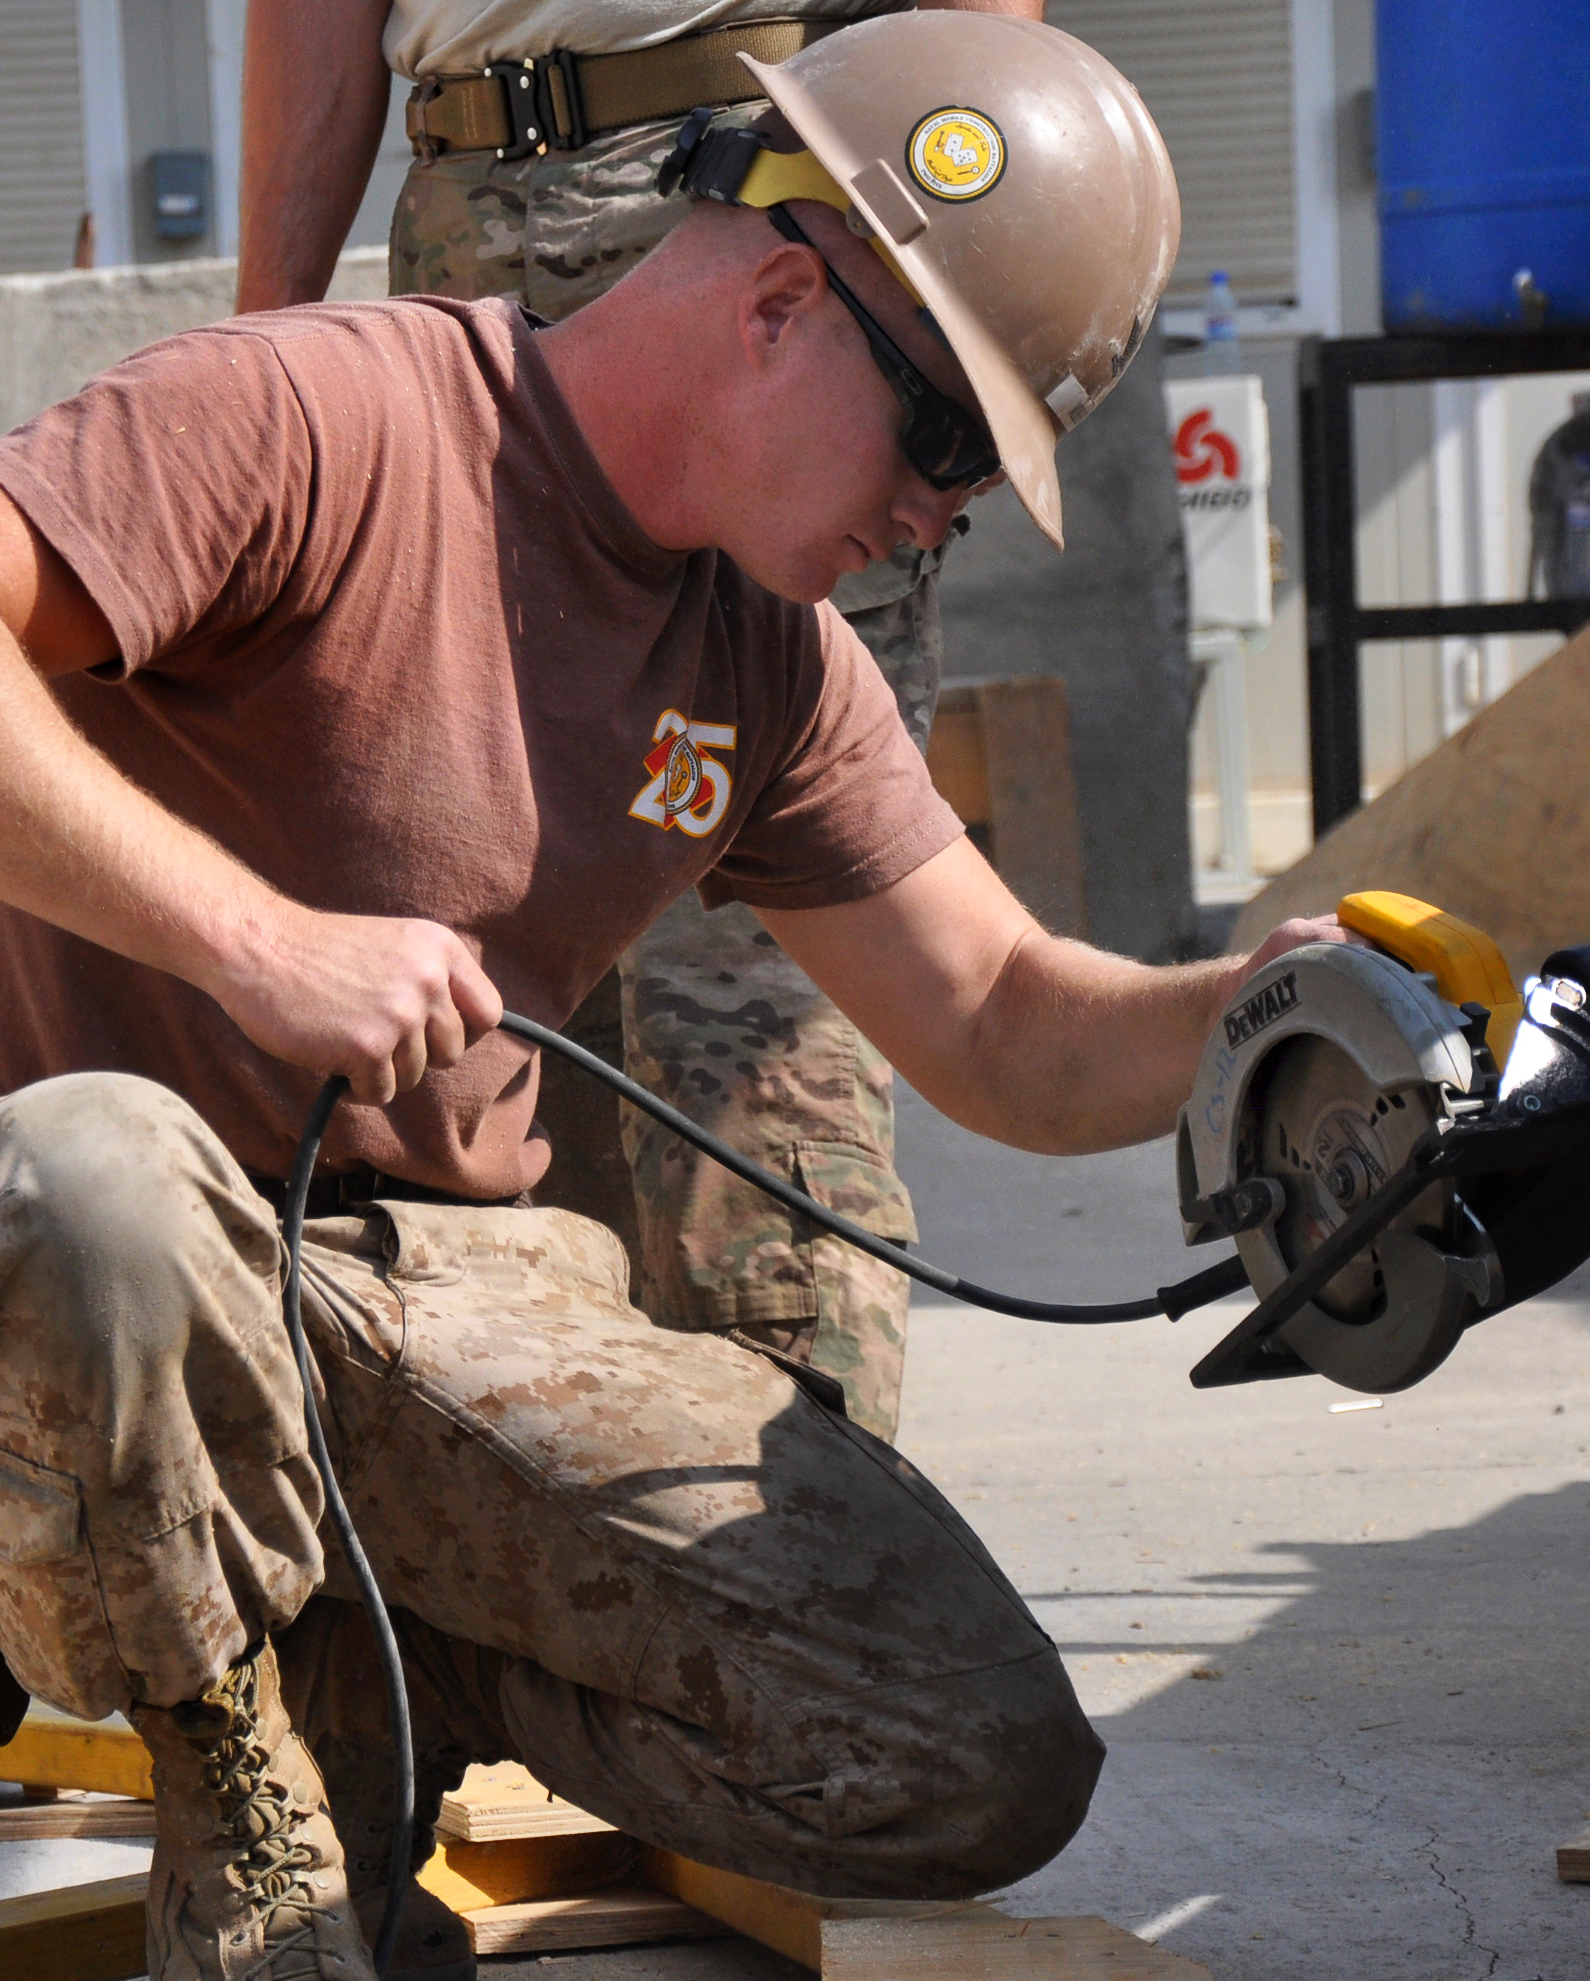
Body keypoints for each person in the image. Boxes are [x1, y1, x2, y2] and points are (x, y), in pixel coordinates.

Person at [0, 16, 1321, 1981]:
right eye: (941, 450)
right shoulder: (311, 417)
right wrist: (256, 940)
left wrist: (1259, 1007)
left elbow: (1002, 1013)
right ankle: (247, 1777)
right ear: (776, 299)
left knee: (974, 1754)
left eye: (974, 489)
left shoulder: (774, 666)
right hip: (112, 1309)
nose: (938, 522)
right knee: (94, 1183)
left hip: (445, 1315)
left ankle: (390, 1685)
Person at [238, 0, 1045, 1451]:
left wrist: (895, 275)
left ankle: (803, 1567)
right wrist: (276, 347)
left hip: (743, 189)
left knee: (756, 1010)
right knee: (496, 1000)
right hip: (457, 215)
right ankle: (574, 1561)